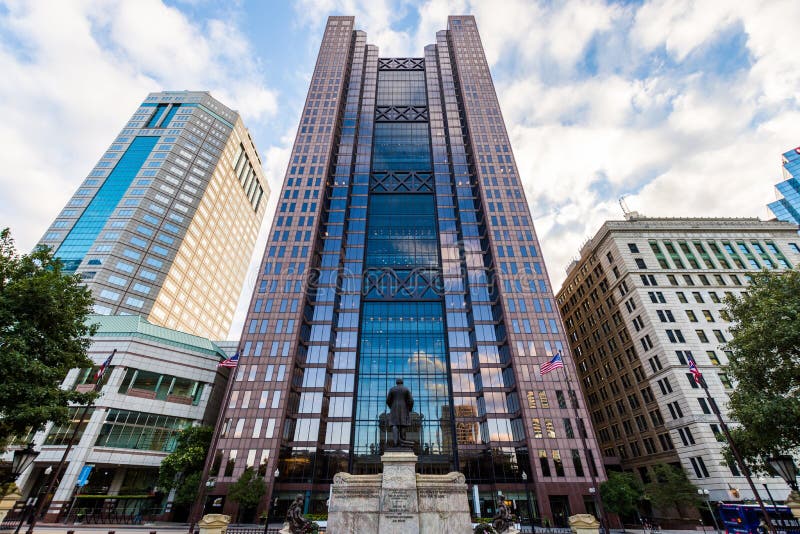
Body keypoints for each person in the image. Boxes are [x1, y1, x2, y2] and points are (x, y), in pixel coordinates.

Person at [386, 378, 414, 448]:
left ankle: (395, 443)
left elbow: (388, 400)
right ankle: (402, 442)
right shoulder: (406, 389)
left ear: (396, 382)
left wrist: (392, 407)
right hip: (404, 409)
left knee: (394, 425)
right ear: (402, 382)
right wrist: (409, 408)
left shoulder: (392, 389)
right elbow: (411, 400)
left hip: (394, 409)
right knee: (403, 425)